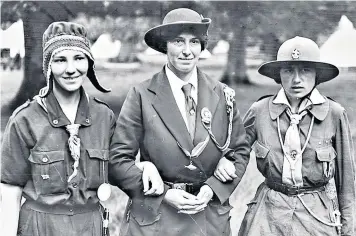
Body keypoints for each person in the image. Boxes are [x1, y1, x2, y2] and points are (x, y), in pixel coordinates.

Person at [1, 21, 163, 236]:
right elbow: (10, 191)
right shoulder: (25, 119)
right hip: (39, 227)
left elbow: (117, 167)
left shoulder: (103, 117)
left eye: (79, 58)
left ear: (89, 62)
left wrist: (145, 167)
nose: (71, 69)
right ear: (48, 65)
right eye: (60, 60)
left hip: (90, 227)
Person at [108, 8, 250, 236]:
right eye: (178, 41)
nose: (186, 51)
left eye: (194, 41)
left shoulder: (223, 95)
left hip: (208, 218)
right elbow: (117, 162)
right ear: (165, 45)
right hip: (158, 219)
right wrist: (163, 192)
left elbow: (240, 151)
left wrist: (214, 187)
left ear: (202, 46)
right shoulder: (142, 95)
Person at [217, 36, 355, 236]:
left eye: (305, 70)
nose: (296, 79)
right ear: (279, 75)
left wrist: (349, 229)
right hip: (268, 213)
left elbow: (347, 181)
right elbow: (235, 154)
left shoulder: (334, 113)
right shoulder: (260, 110)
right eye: (288, 70)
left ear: (317, 74)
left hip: (316, 214)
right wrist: (220, 170)